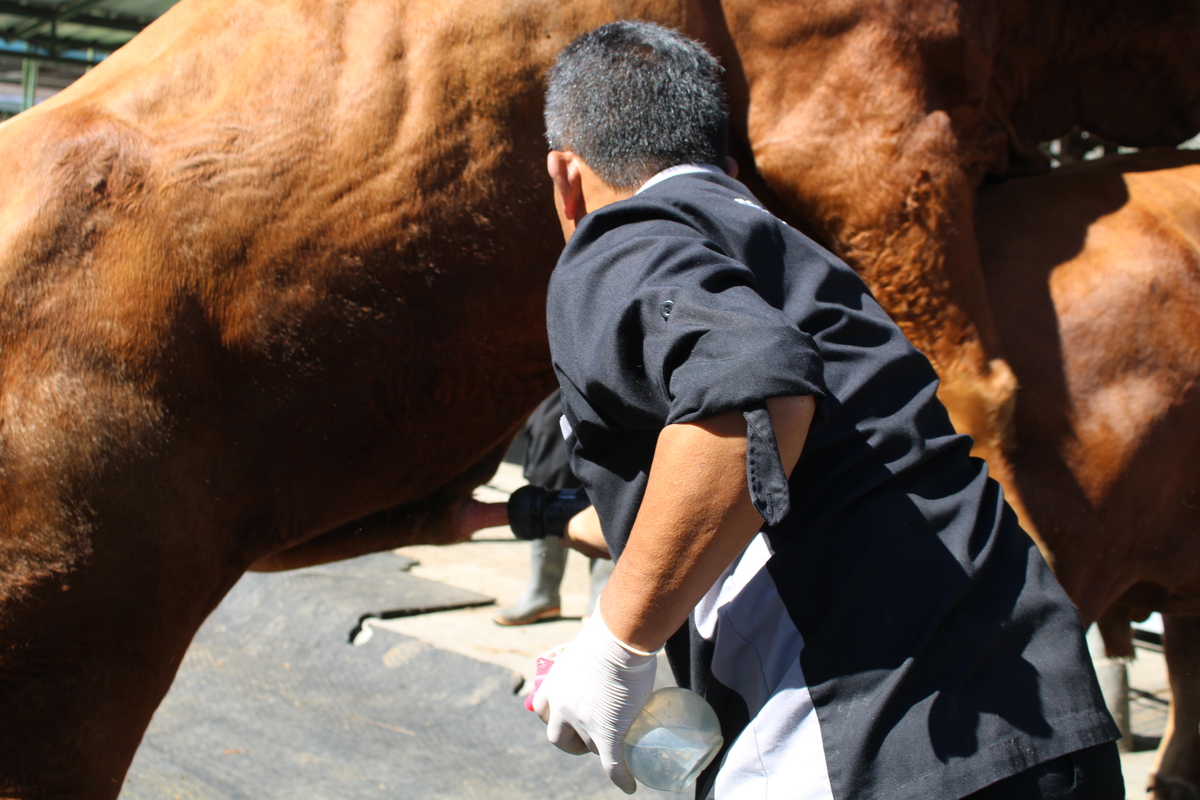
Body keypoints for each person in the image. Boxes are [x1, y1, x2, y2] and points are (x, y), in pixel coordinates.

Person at [529, 20, 1123, 800]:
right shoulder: (785, 255)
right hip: (1047, 729)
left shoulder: (616, 239)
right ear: (726, 166)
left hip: (873, 743)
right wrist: (533, 514)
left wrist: (615, 643)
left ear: (567, 178)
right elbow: (767, 489)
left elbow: (753, 395)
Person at [494, 389, 613, 625]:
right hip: (556, 389)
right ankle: (542, 594)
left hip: (606, 392)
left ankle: (602, 604)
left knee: (610, 491)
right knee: (546, 487)